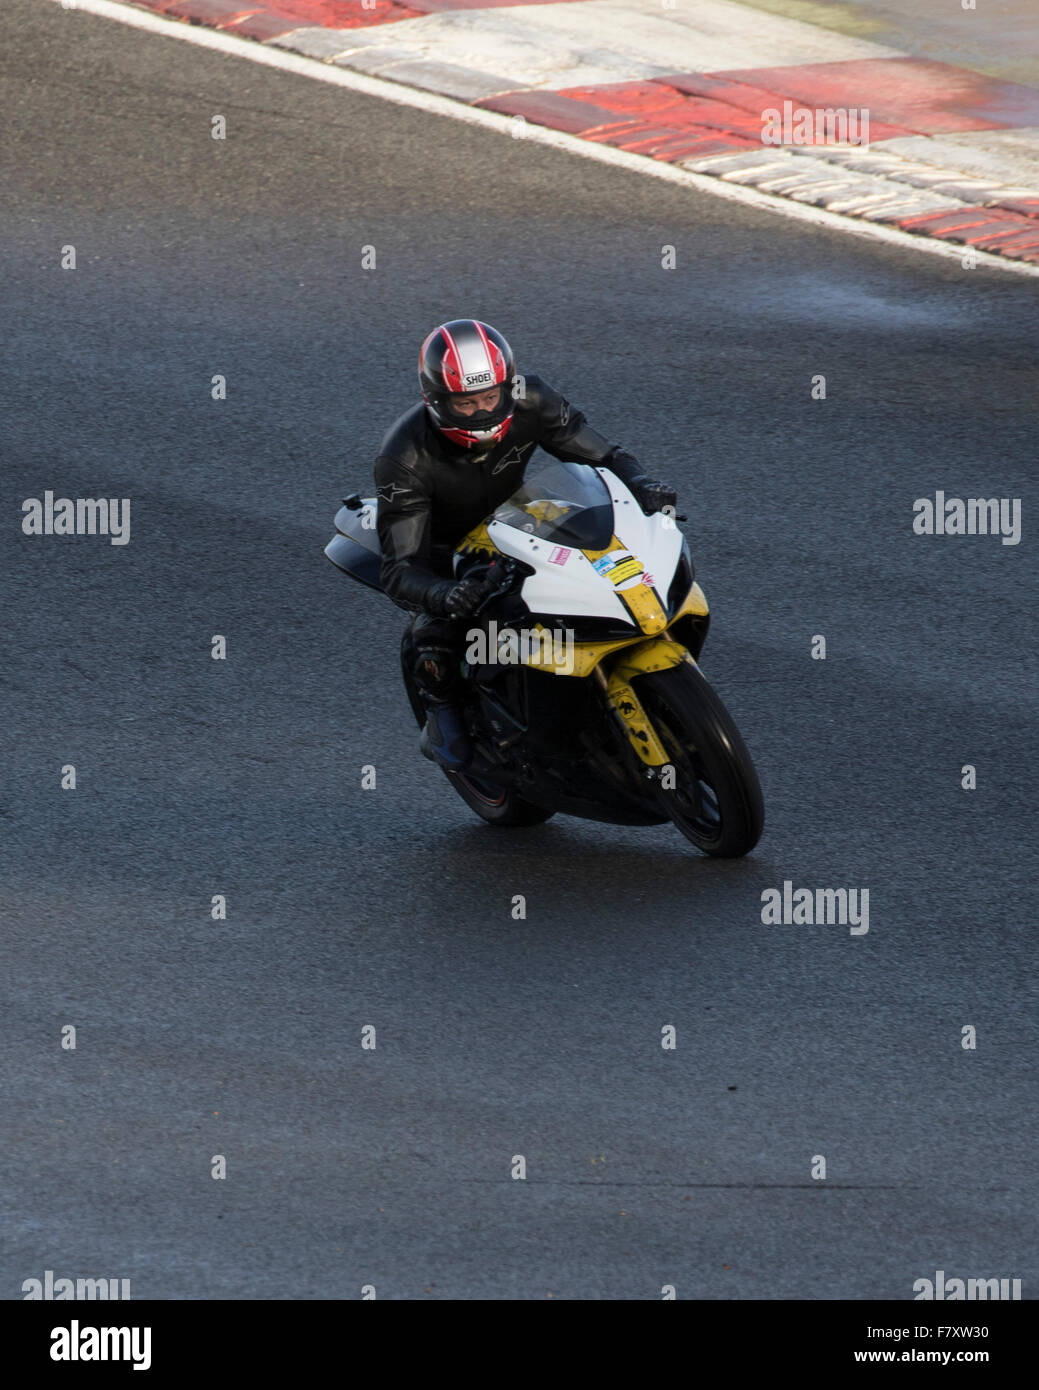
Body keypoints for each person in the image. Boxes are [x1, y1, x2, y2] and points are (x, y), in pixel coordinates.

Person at [374, 319, 677, 770]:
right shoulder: (404, 457)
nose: (480, 412)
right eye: (465, 403)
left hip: (524, 513)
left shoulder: (532, 398)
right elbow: (398, 570)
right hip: (446, 545)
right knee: (443, 623)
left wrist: (641, 482)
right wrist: (442, 593)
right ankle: (442, 713)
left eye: (490, 398)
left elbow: (602, 456)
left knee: (607, 547)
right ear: (436, 400)